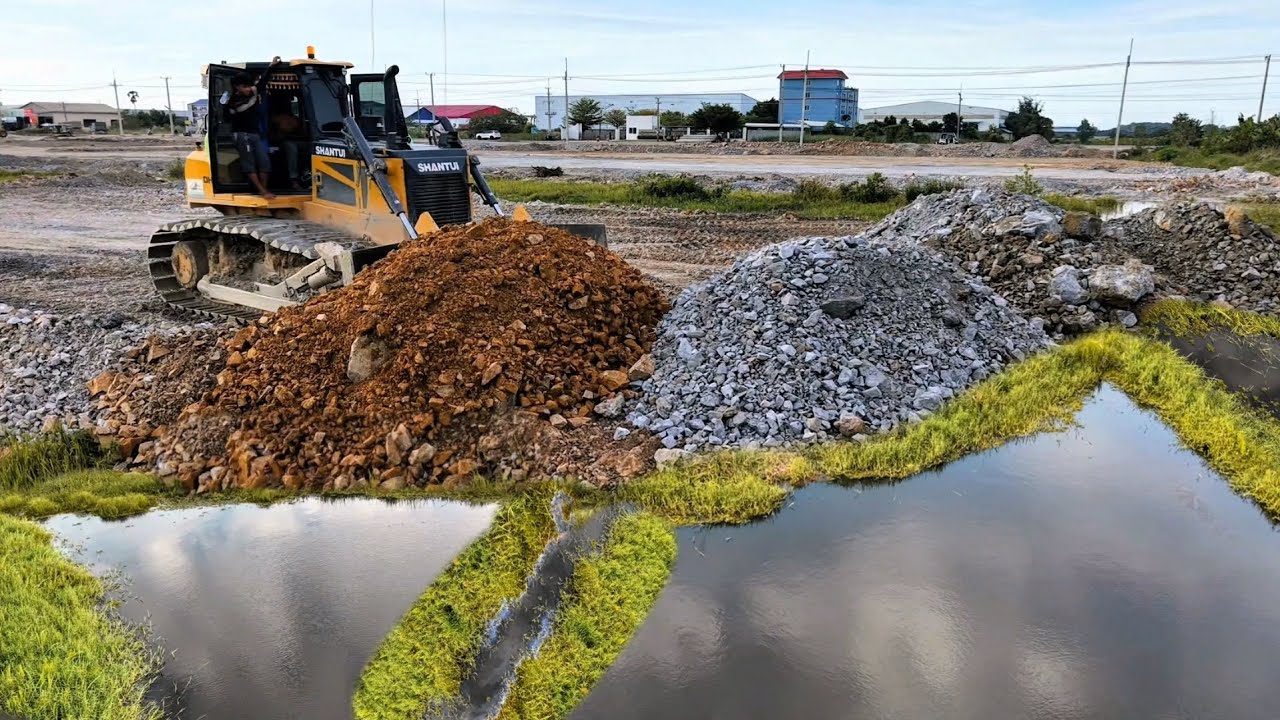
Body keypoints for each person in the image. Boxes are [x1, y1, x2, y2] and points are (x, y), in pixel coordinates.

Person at [221, 67, 276, 198]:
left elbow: (262, 83)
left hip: (254, 134)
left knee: (264, 162)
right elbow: (227, 118)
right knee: (249, 163)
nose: (248, 89)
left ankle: (264, 188)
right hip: (241, 135)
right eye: (244, 86)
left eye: (249, 86)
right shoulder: (232, 102)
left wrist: (271, 66)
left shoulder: (253, 95)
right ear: (237, 87)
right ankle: (262, 191)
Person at [269, 104, 307, 192]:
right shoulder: (274, 120)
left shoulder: (296, 119)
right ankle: (294, 180)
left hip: (299, 140)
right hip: (281, 143)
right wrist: (283, 131)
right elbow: (273, 137)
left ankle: (308, 174)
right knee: (291, 147)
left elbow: (303, 132)